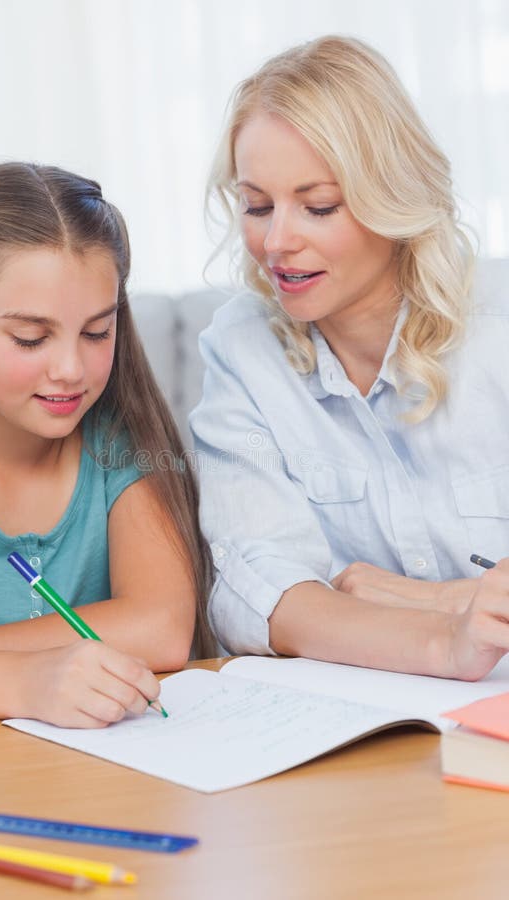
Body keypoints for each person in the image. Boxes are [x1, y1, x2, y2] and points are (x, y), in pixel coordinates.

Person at [190, 35, 509, 681]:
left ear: (394, 197)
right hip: (365, 720)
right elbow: (261, 593)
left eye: (319, 206)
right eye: (256, 206)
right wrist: (446, 635)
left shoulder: (496, 329)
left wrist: (427, 597)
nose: (276, 241)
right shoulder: (240, 350)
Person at [0, 161, 213, 726]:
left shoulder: (123, 441)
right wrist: (27, 680)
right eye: (31, 338)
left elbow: (163, 628)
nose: (72, 369)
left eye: (98, 332)